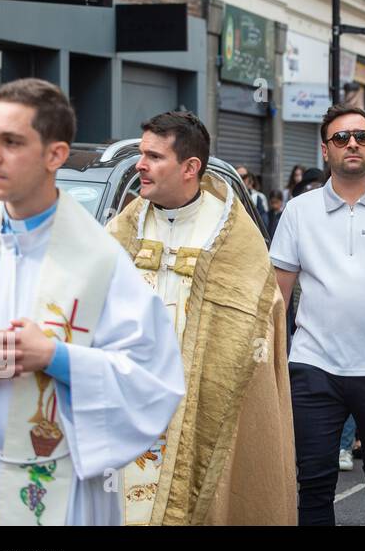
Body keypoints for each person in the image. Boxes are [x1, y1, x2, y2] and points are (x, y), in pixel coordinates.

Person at [0, 78, 184, 525]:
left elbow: (153, 380)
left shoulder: (100, 260)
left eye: (12, 141)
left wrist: (56, 357)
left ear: (55, 154)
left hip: (63, 491)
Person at [107, 111, 295, 524]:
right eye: (141, 154)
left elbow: (257, 327)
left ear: (190, 167)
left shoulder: (232, 237)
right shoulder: (124, 229)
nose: (140, 165)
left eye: (154, 156)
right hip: (132, 410)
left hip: (202, 408)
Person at [271, 105, 365, 525]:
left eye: (362, 137)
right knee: (313, 485)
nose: (351, 143)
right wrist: (274, 365)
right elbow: (277, 296)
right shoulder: (299, 211)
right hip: (315, 366)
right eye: (340, 138)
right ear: (325, 150)